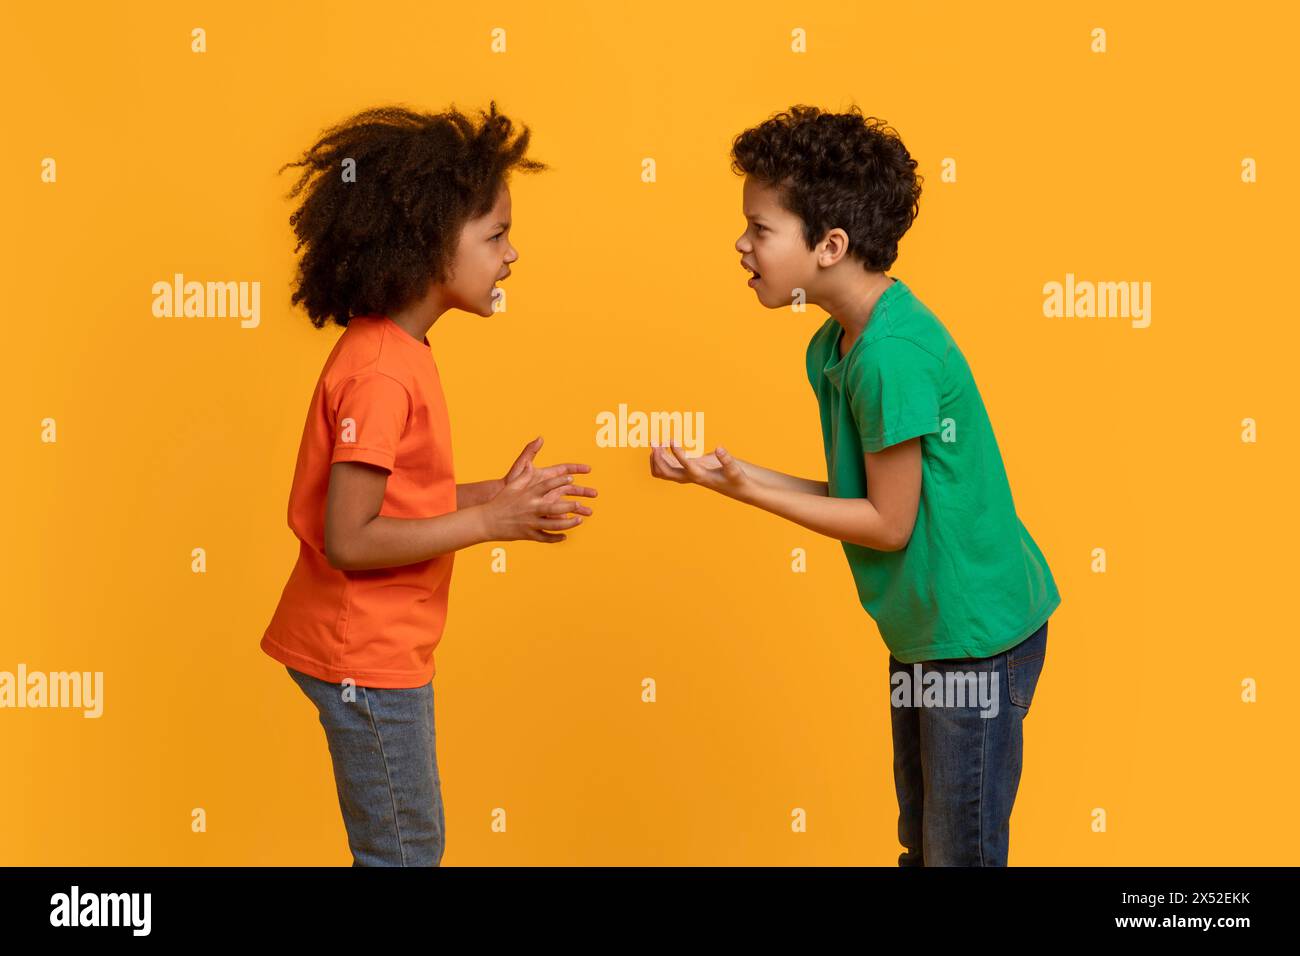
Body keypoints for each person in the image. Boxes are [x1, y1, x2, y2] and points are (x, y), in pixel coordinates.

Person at [649, 104, 1060, 866]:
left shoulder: (888, 358)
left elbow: (887, 525)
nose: (742, 244)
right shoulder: (836, 346)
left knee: (958, 853)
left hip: (973, 637)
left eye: (760, 228)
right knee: (925, 843)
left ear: (829, 246)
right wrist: (725, 478)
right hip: (925, 631)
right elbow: (863, 495)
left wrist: (751, 492)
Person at [262, 103, 597, 866]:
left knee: (405, 847)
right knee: (406, 853)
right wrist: (491, 525)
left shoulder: (399, 350)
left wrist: (491, 497)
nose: (512, 254)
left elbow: (394, 507)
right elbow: (351, 538)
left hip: (381, 648)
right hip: (363, 655)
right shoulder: (382, 371)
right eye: (496, 235)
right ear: (424, 244)